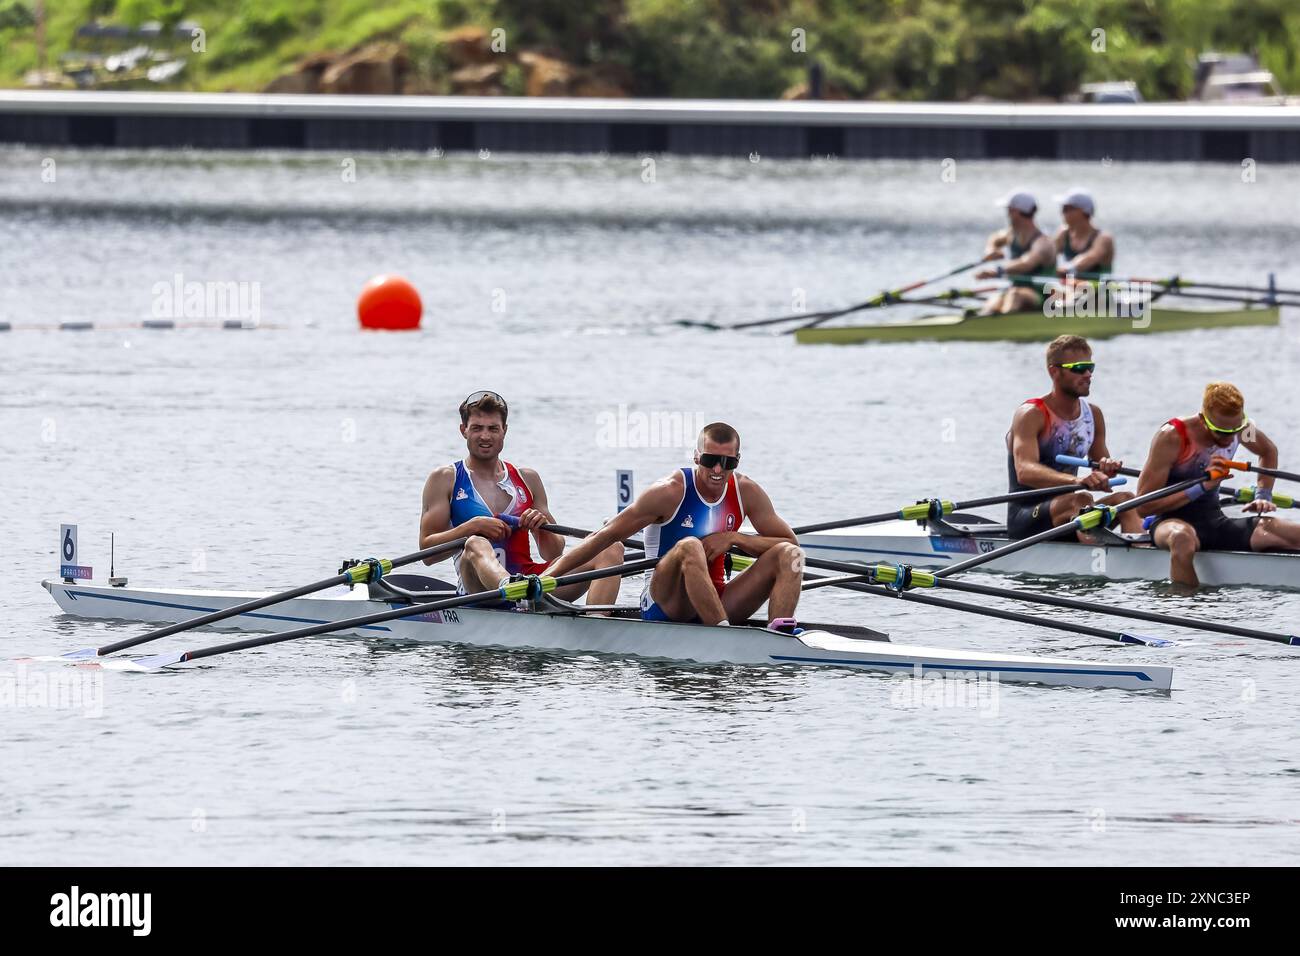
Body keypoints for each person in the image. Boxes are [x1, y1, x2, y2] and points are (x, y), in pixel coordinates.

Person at [547, 422, 805, 631]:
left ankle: (779, 636)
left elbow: (789, 542)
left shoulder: (746, 491)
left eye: (727, 463)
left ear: (737, 460)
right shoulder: (670, 491)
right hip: (666, 603)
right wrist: (547, 577)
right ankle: (723, 634)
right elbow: (606, 535)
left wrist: (734, 538)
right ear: (696, 457)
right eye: (710, 459)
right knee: (690, 546)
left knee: (791, 555)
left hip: (718, 597)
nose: (717, 469)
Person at [418, 390, 624, 604]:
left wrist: (540, 527)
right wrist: (471, 527)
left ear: (504, 431)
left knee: (610, 547)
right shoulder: (445, 478)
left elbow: (553, 552)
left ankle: (596, 620)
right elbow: (427, 554)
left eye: (493, 429)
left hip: (529, 584)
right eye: (477, 428)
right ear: (464, 431)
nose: (485, 436)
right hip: (478, 591)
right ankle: (510, 588)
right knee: (475, 543)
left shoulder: (528, 479)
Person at [1136, 382, 1300, 587]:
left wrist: (1263, 495)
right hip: (1169, 522)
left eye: (1236, 430)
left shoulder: (1242, 427)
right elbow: (1143, 506)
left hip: (1215, 521)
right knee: (1182, 539)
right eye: (1221, 432)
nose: (1230, 437)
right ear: (1204, 419)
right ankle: (1186, 606)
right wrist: (1202, 486)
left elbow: (1268, 451)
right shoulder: (1173, 436)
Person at [1006, 335, 1139, 539]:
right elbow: (1024, 471)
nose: (1087, 375)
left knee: (1127, 500)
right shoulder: (1031, 414)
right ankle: (1095, 561)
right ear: (1054, 371)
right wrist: (1077, 480)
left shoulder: (1093, 415)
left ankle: (1140, 557)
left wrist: (1106, 467)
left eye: (1090, 368)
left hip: (1072, 514)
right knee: (1081, 499)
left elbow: (1102, 473)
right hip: (1027, 516)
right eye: (1078, 368)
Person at [975, 191, 1057, 314]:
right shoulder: (1011, 234)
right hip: (1015, 289)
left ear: (1016, 212)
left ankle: (1006, 327)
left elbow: (1026, 263)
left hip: (1042, 295)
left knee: (1015, 295)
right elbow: (995, 238)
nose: (1007, 215)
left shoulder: (1043, 242)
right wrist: (991, 250)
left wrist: (998, 271)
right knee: (993, 302)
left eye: (1009, 210)